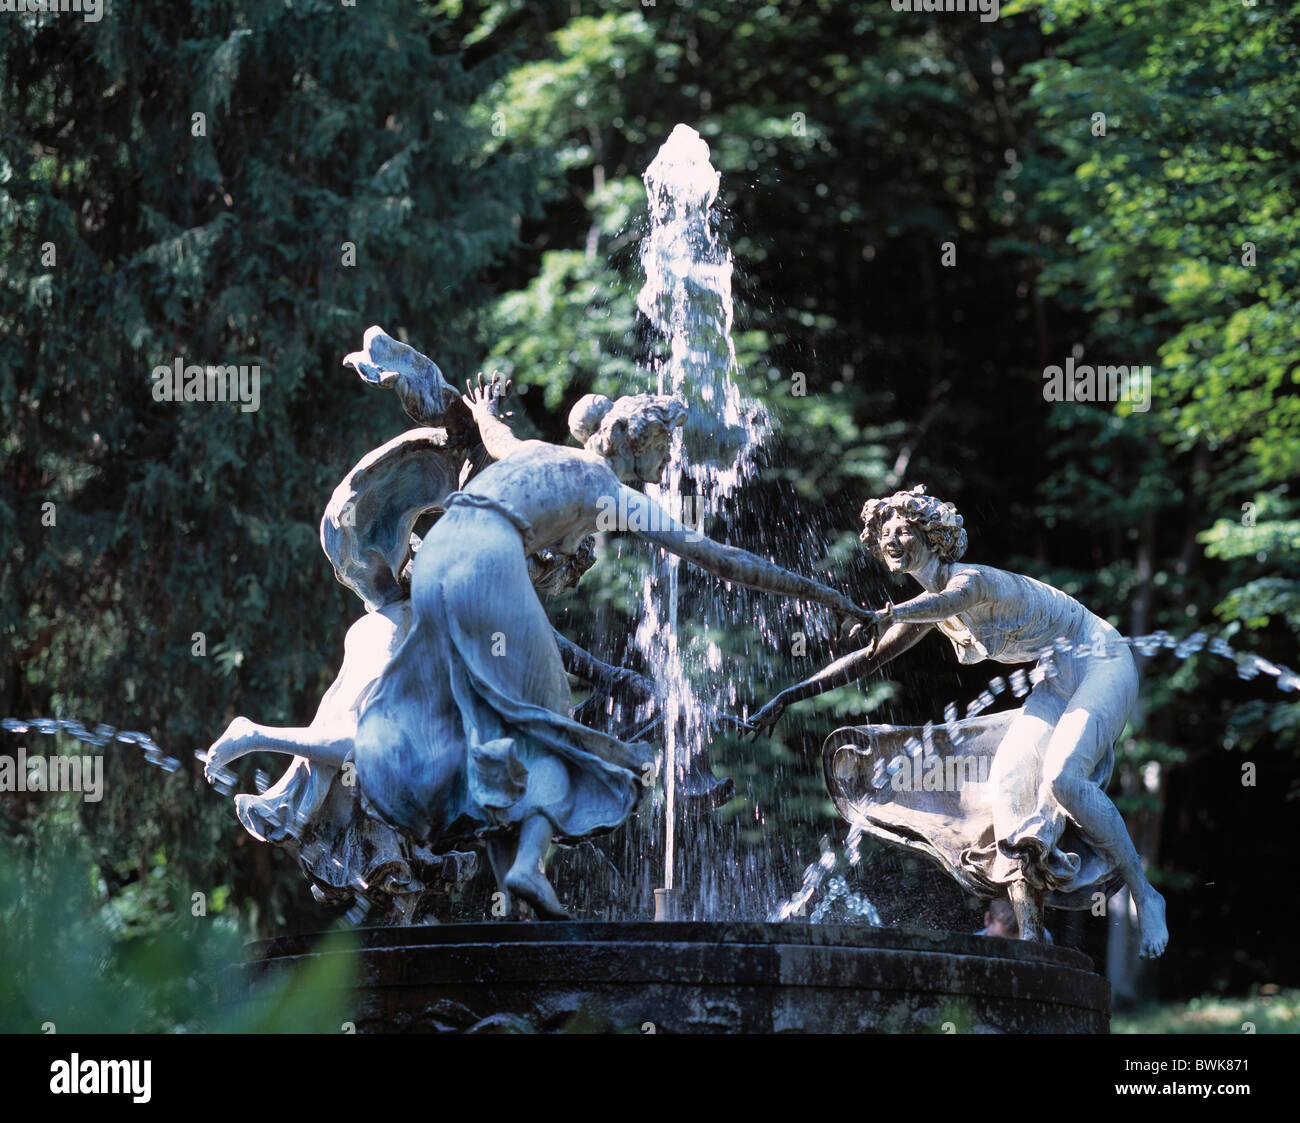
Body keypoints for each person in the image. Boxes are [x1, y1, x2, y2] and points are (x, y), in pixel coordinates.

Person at [749, 485, 1168, 958]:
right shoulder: (928, 605)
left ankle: (1145, 895)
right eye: (884, 533)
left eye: (903, 530)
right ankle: (1031, 939)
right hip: (1057, 679)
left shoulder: (968, 582)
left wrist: (882, 614)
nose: (891, 540)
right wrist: (790, 694)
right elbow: (865, 662)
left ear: (932, 537)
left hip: (1101, 659)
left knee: (1063, 778)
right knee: (1009, 792)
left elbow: (945, 603)